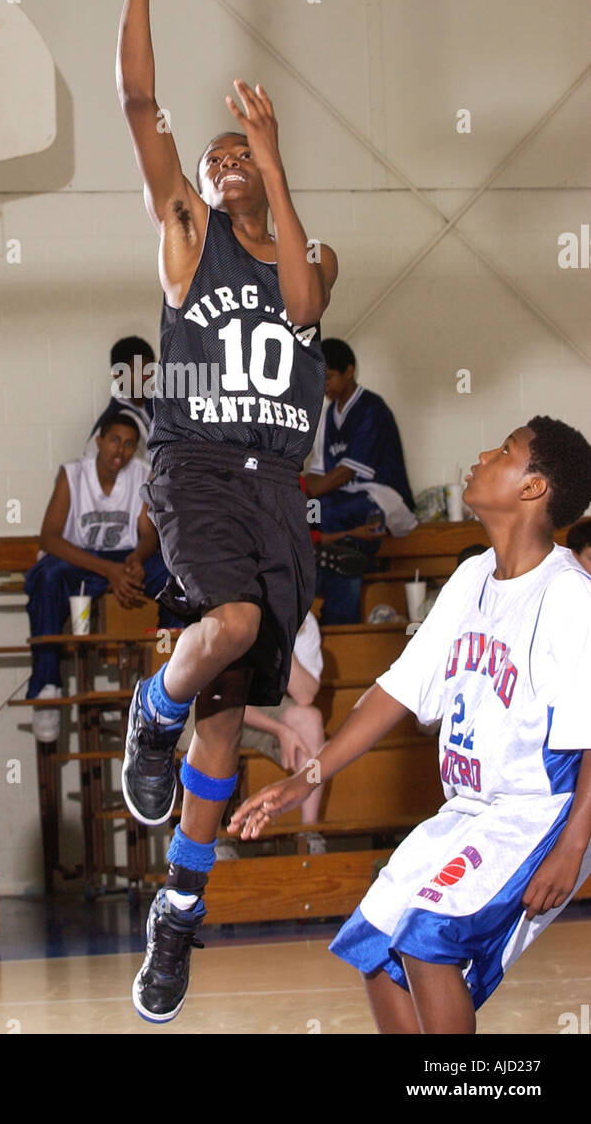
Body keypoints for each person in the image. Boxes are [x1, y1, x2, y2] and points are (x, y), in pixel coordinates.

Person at [115, 0, 337, 1023]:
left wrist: (277, 151)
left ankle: (177, 912)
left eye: (237, 154)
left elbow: (303, 305)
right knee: (232, 629)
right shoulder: (190, 237)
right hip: (197, 463)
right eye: (211, 159)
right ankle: (147, 717)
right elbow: (138, 107)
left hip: (278, 490)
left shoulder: (306, 248)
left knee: (225, 715)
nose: (220, 161)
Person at [230, 416, 591, 1035]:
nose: (482, 453)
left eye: (504, 451)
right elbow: (395, 690)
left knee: (427, 942)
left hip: (536, 811)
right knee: (376, 942)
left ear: (533, 488)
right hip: (468, 808)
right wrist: (304, 779)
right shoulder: (473, 576)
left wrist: (574, 846)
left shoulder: (567, 595)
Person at [25, 412, 180, 739]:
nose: (119, 451)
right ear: (98, 442)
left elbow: (149, 535)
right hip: (79, 559)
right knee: (45, 576)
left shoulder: (141, 474)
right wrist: (109, 571)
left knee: (172, 574)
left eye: (128, 444)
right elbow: (49, 538)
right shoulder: (73, 473)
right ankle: (46, 689)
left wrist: (136, 559)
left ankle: (171, 683)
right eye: (114, 441)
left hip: (123, 558)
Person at [302, 337, 417, 623]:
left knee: (326, 512)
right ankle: (350, 552)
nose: (324, 386)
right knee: (305, 514)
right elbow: (317, 471)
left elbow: (344, 473)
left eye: (328, 377)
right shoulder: (329, 415)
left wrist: (310, 489)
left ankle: (349, 555)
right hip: (341, 499)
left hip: (379, 497)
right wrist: (306, 493)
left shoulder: (371, 409)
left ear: (349, 371)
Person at [241, 612, 326, 839]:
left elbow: (305, 695)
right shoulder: (234, 608)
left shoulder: (303, 619)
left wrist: (281, 641)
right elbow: (222, 698)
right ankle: (212, 837)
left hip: (262, 706)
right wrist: (280, 730)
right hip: (219, 706)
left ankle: (309, 833)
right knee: (216, 725)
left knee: (310, 719)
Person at [84, 335, 156, 459]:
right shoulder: (114, 421)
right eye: (137, 370)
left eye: (149, 370)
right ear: (118, 375)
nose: (145, 377)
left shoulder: (153, 406)